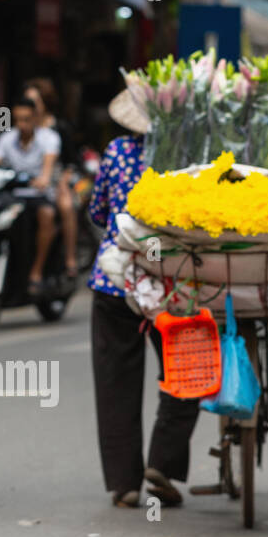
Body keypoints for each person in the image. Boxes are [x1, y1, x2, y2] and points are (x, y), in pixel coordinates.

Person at [88, 88, 200, 508]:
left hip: (116, 280)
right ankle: (163, 461)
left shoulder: (117, 151)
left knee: (116, 381)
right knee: (186, 368)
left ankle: (125, 484)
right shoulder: (189, 159)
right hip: (172, 283)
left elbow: (99, 212)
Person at [0, 94, 61, 297]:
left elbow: (48, 169)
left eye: (26, 119)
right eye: (18, 120)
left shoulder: (49, 138)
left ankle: (36, 271)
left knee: (47, 215)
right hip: (11, 195)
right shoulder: (6, 137)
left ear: (36, 118)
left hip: (36, 195)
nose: (22, 124)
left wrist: (43, 179)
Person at [24, 77, 80, 277]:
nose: (29, 106)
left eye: (34, 101)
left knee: (65, 205)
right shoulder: (19, 126)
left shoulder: (58, 128)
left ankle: (70, 259)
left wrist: (63, 182)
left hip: (56, 178)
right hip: (26, 179)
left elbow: (71, 161)